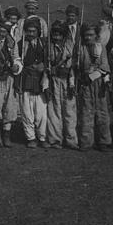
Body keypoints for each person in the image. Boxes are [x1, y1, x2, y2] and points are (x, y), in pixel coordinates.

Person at [14, 18, 48, 148]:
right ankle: (31, 138)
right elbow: (16, 59)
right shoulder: (20, 44)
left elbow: (49, 60)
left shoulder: (44, 43)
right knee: (27, 112)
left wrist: (43, 65)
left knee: (41, 112)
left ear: (38, 31)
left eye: (33, 31)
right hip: (25, 79)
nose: (31, 34)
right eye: (28, 31)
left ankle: (42, 137)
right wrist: (17, 66)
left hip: (40, 81)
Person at [77, 23, 112, 152]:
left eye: (91, 35)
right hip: (85, 85)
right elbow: (79, 66)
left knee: (102, 112)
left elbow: (105, 67)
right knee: (86, 112)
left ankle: (104, 141)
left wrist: (92, 76)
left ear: (96, 36)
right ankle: (86, 141)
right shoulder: (81, 49)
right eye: (86, 35)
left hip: (99, 84)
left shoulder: (101, 48)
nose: (88, 38)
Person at [45, 20, 78, 150]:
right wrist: (47, 83)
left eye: (60, 34)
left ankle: (71, 139)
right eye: (55, 34)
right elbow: (46, 68)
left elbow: (73, 66)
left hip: (68, 79)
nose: (57, 37)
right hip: (54, 80)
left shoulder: (71, 45)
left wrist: (72, 83)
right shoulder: (49, 46)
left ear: (64, 35)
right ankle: (55, 139)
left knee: (69, 111)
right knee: (54, 110)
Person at [0, 20, 17, 148]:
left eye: (4, 31)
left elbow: (16, 57)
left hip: (9, 77)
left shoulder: (12, 43)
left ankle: (7, 135)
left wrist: (16, 65)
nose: (2, 33)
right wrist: (0, 63)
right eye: (0, 30)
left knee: (9, 105)